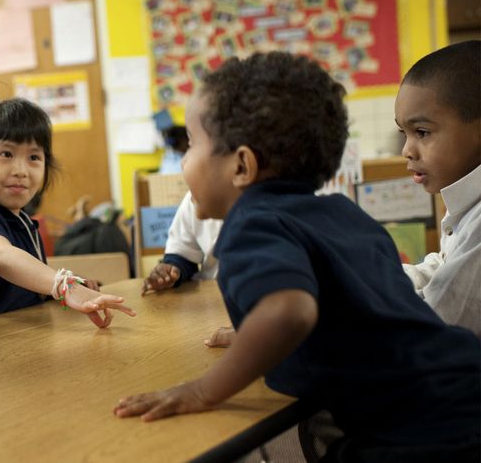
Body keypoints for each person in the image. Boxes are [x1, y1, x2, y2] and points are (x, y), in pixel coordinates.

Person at [113, 53, 480, 461]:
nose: (183, 163)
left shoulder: (251, 224)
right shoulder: (343, 215)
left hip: (424, 431)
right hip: (461, 391)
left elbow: (289, 313)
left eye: (193, 145)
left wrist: (204, 389)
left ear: (241, 165)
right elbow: (368, 310)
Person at [0, 98, 136, 327]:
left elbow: (23, 289)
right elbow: (1, 256)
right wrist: (62, 284)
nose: (21, 171)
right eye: (6, 154)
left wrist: (73, 285)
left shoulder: (25, 222)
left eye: (34, 158)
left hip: (27, 335)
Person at [396, 40, 480, 336]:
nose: (407, 150)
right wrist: (376, 280)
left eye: (422, 132)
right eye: (403, 133)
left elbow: (438, 327)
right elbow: (446, 268)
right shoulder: (467, 206)